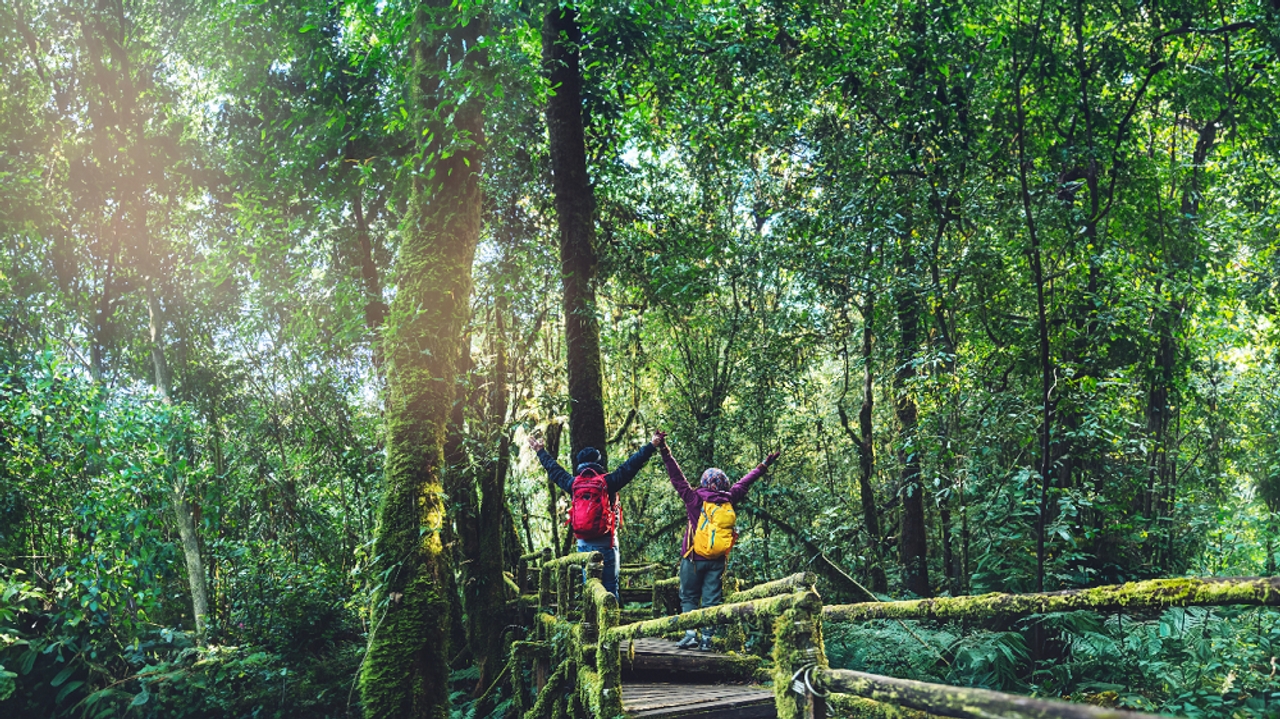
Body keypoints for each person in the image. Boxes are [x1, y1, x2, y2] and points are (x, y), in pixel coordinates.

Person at [654, 431, 778, 651]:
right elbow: (745, 483)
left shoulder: (694, 499)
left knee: (689, 595)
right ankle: (707, 639)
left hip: (693, 557)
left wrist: (664, 450)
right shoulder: (729, 499)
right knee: (711, 599)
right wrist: (763, 465)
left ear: (704, 483)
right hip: (717, 560)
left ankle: (690, 634)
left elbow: (677, 478)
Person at [527, 431, 662, 600]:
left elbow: (555, 470)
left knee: (590, 587)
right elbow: (630, 466)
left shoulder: (573, 484)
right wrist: (651, 445)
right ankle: (611, 617)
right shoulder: (608, 482)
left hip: (583, 545)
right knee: (610, 587)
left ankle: (591, 617)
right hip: (606, 543)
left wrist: (540, 451)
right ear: (599, 463)